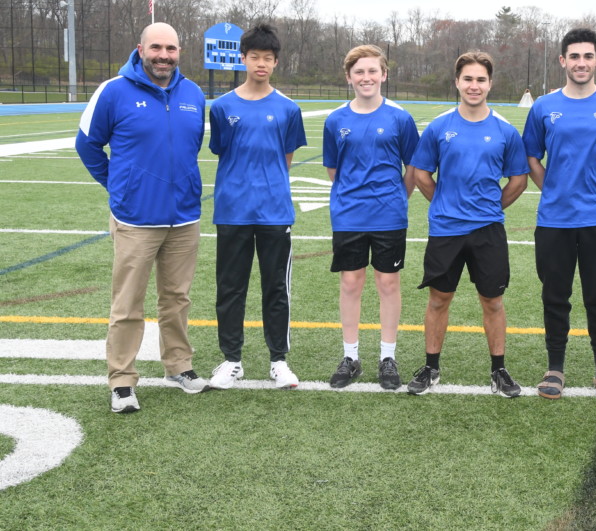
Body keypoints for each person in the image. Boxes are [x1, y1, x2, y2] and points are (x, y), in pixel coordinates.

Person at [76, 22, 209, 413]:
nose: (163, 55)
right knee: (127, 304)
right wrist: (121, 187)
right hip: (135, 219)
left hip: (184, 219)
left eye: (170, 48)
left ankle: (179, 366)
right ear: (141, 48)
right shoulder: (114, 90)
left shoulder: (193, 93)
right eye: (156, 48)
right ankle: (121, 380)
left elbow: (190, 147)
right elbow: (87, 145)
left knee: (177, 299)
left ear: (179, 51)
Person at [522, 27, 596, 401]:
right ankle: (554, 367)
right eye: (574, 56)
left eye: (588, 56)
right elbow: (530, 158)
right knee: (555, 295)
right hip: (554, 220)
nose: (581, 63)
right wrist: (553, 188)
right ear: (563, 61)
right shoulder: (544, 106)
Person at [406, 52, 528, 397]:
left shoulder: (504, 130)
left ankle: (499, 370)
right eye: (468, 79)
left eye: (481, 80)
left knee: (492, 301)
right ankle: (431, 367)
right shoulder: (439, 127)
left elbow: (518, 180)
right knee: (439, 299)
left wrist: (490, 207)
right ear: (457, 82)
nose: (474, 86)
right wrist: (445, 204)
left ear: (491, 84)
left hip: (488, 230)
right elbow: (421, 174)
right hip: (446, 228)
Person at [207, 24, 307, 390]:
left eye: (268, 58)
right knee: (230, 287)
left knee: (275, 288)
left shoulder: (288, 108)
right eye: (254, 57)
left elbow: (287, 157)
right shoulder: (221, 107)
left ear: (276, 62)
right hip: (232, 209)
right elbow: (221, 150)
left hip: (275, 211)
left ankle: (278, 361)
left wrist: (268, 186)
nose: (261, 64)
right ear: (243, 59)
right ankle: (231, 360)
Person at [323, 45, 419, 390]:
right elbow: (335, 170)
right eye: (359, 72)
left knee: (388, 282)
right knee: (350, 283)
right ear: (349, 77)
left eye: (372, 71)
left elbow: (413, 167)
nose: (366, 77)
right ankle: (350, 356)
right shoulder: (336, 121)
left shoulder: (400, 118)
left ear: (384, 75)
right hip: (349, 215)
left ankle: (387, 356)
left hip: (389, 215)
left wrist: (396, 197)